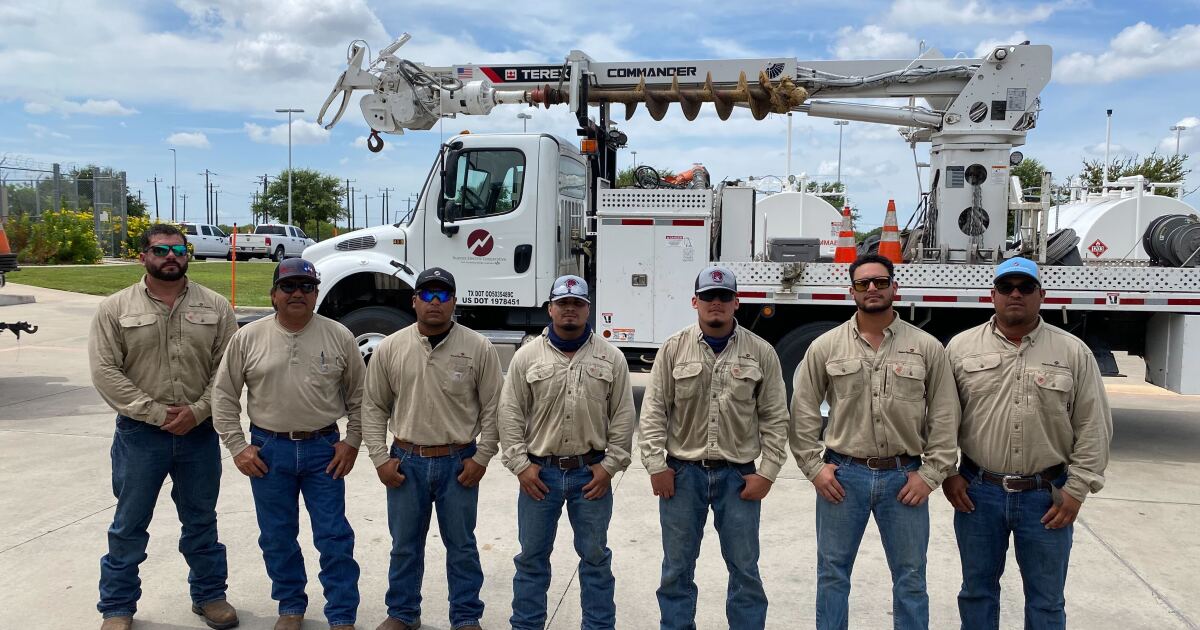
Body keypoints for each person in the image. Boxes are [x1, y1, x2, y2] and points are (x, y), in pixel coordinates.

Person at [789, 253, 960, 630]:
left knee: (911, 578)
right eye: (864, 283)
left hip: (905, 479)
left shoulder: (927, 347)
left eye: (880, 282)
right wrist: (814, 468)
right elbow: (801, 411)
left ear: (894, 288)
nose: (872, 289)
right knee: (833, 575)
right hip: (842, 478)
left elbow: (945, 416)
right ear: (851, 291)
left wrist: (930, 474)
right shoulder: (826, 347)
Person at [944, 257, 1112, 629]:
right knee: (976, 592)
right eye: (1006, 287)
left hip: (1047, 496)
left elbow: (1093, 425)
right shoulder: (960, 349)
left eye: (1025, 287)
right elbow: (940, 420)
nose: (1015, 294)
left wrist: (1078, 489)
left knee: (1047, 601)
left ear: (1042, 295)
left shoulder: (1072, 352)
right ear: (993, 295)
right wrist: (946, 474)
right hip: (978, 494)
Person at [88, 224, 239, 630]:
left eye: (178, 249)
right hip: (140, 435)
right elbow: (105, 371)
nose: (170, 256)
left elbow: (227, 371)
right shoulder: (115, 308)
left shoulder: (216, 306)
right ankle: (117, 608)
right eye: (160, 250)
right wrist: (155, 413)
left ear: (187, 254)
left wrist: (198, 410)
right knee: (129, 525)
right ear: (143, 256)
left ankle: (209, 596)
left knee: (201, 520)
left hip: (199, 434)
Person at [211, 258, 365, 630]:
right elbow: (223, 395)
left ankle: (341, 615)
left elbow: (363, 397)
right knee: (278, 536)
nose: (298, 293)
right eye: (289, 286)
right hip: (268, 452)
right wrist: (237, 446)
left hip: (324, 451)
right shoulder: (247, 338)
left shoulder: (339, 336)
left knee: (334, 537)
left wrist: (352, 442)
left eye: (306, 287)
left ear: (316, 293)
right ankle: (291, 606)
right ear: (273, 294)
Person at [638, 265, 790, 630]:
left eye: (724, 297)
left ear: (737, 303)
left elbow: (775, 418)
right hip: (682, 475)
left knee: (745, 571)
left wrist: (766, 473)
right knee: (676, 570)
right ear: (695, 302)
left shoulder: (761, 353)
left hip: (738, 478)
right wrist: (656, 465)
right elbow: (654, 410)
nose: (716, 304)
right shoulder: (674, 349)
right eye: (708, 297)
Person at [361, 267, 503, 630]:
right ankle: (402, 614)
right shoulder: (391, 348)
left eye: (443, 295)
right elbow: (374, 406)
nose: (435, 302)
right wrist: (380, 458)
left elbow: (494, 407)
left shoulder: (478, 347)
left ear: (454, 301)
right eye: (427, 295)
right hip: (406, 462)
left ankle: (466, 617)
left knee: (462, 547)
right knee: (405, 546)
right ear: (414, 301)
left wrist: (482, 457)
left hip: (459, 463)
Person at [498, 275, 636, 630]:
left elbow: (623, 417)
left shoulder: (611, 357)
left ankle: (598, 626)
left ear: (588, 309)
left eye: (577, 304)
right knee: (531, 558)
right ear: (550, 308)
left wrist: (609, 467)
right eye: (563, 304)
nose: (570, 310)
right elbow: (510, 413)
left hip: (590, 475)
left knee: (594, 558)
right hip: (538, 476)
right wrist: (520, 466)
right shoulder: (527, 357)